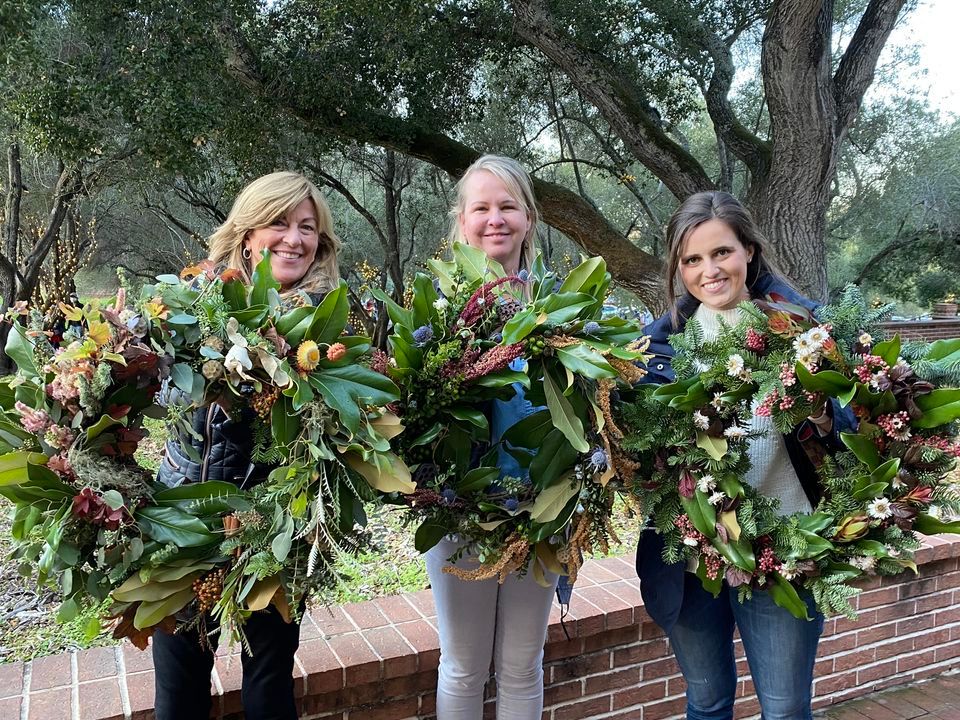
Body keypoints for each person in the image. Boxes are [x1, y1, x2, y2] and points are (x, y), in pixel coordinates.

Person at [634, 190, 852, 720]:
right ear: (678, 267)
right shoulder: (656, 350)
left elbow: (854, 426)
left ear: (749, 251)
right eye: (692, 259)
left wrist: (820, 408)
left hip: (783, 551)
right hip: (688, 560)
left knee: (782, 708)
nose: (709, 270)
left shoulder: (802, 330)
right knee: (706, 704)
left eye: (722, 253)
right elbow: (638, 452)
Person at [152, 171, 341, 720]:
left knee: (269, 684)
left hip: (273, 525)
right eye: (279, 222)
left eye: (307, 227)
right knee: (178, 688)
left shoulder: (329, 330)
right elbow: (144, 387)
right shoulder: (190, 306)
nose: (294, 238)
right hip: (183, 518)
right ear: (247, 233)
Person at [425, 154, 557, 720]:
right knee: (463, 663)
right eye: (481, 207)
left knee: (524, 663)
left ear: (529, 218)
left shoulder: (559, 307)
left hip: (543, 511)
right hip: (461, 511)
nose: (494, 219)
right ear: (462, 221)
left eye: (507, 206)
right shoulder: (432, 311)